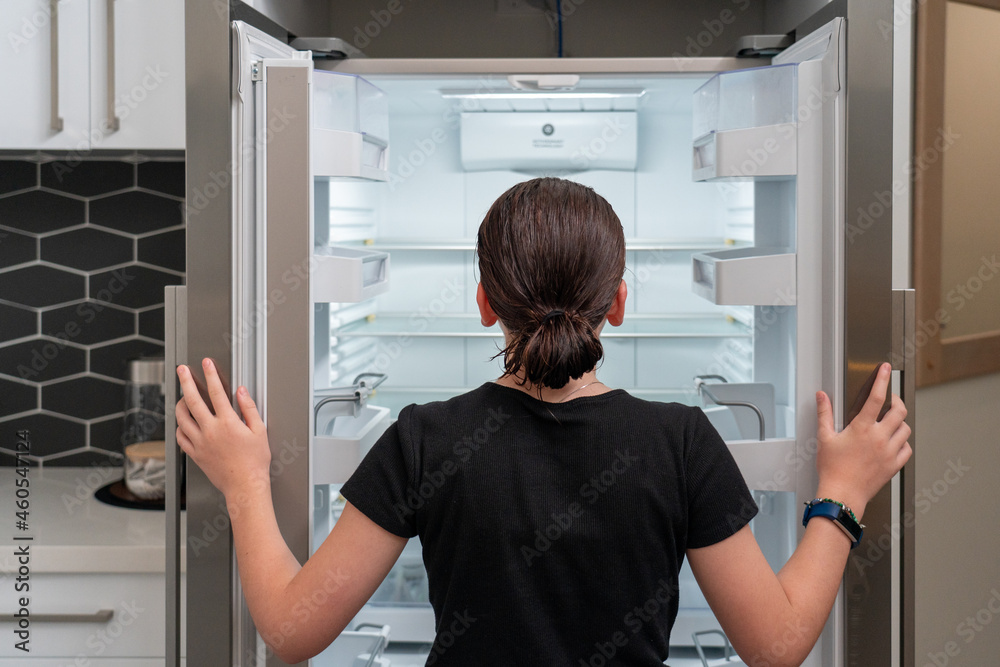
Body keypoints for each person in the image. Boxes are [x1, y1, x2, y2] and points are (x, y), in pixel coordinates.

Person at [174, 177, 911, 666]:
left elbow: (290, 631)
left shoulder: (425, 437)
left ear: (484, 302)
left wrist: (243, 480)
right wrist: (842, 490)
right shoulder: (680, 441)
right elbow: (777, 644)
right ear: (619, 302)